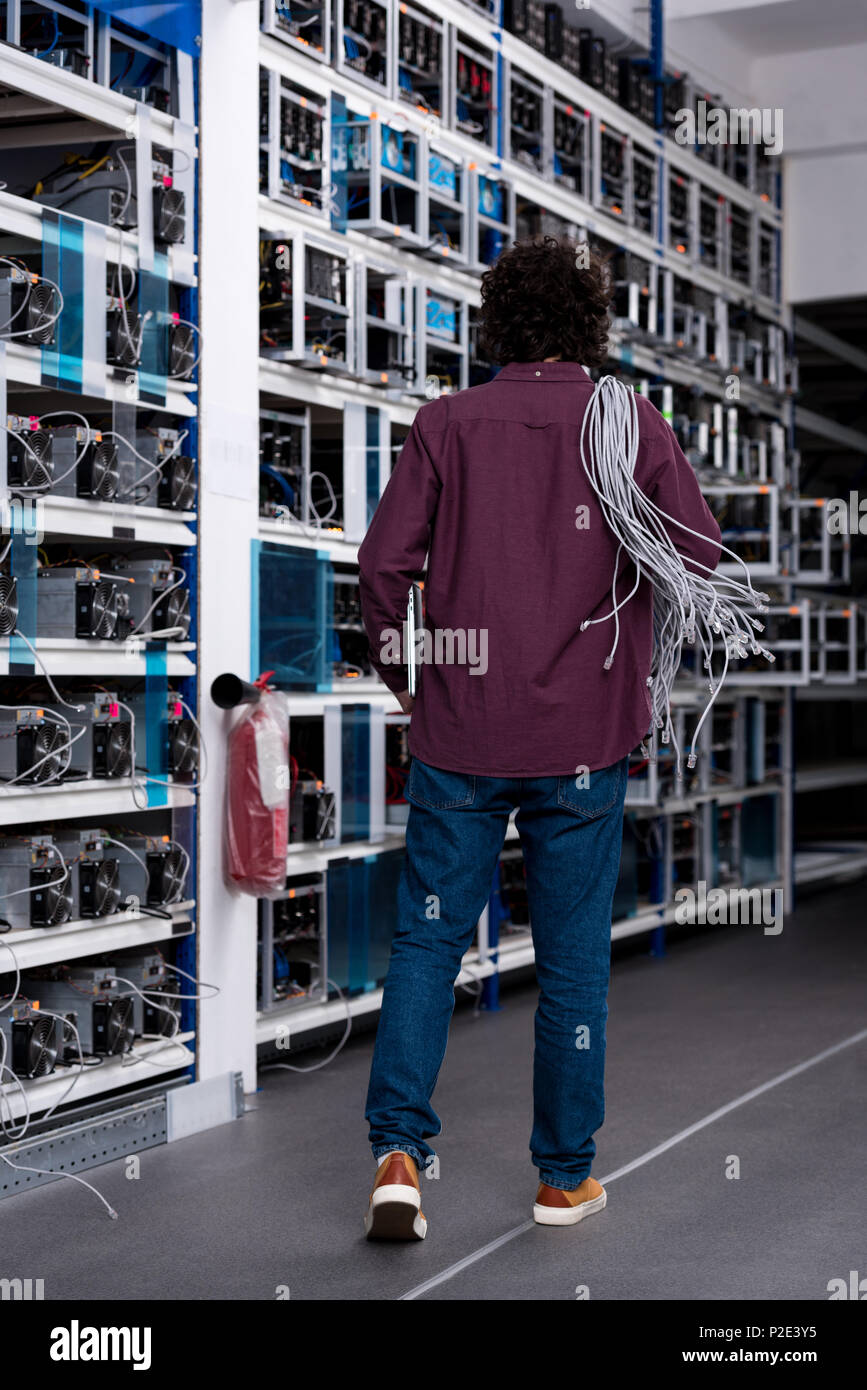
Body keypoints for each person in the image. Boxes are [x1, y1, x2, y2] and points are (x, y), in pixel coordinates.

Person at [357, 236, 722, 1240]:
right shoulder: (624, 419)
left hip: (460, 732)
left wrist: (414, 679)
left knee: (429, 941)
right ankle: (563, 1180)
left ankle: (397, 1155)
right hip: (583, 740)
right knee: (571, 961)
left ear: (497, 326)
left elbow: (383, 570)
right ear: (589, 326)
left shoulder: (446, 421)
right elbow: (697, 553)